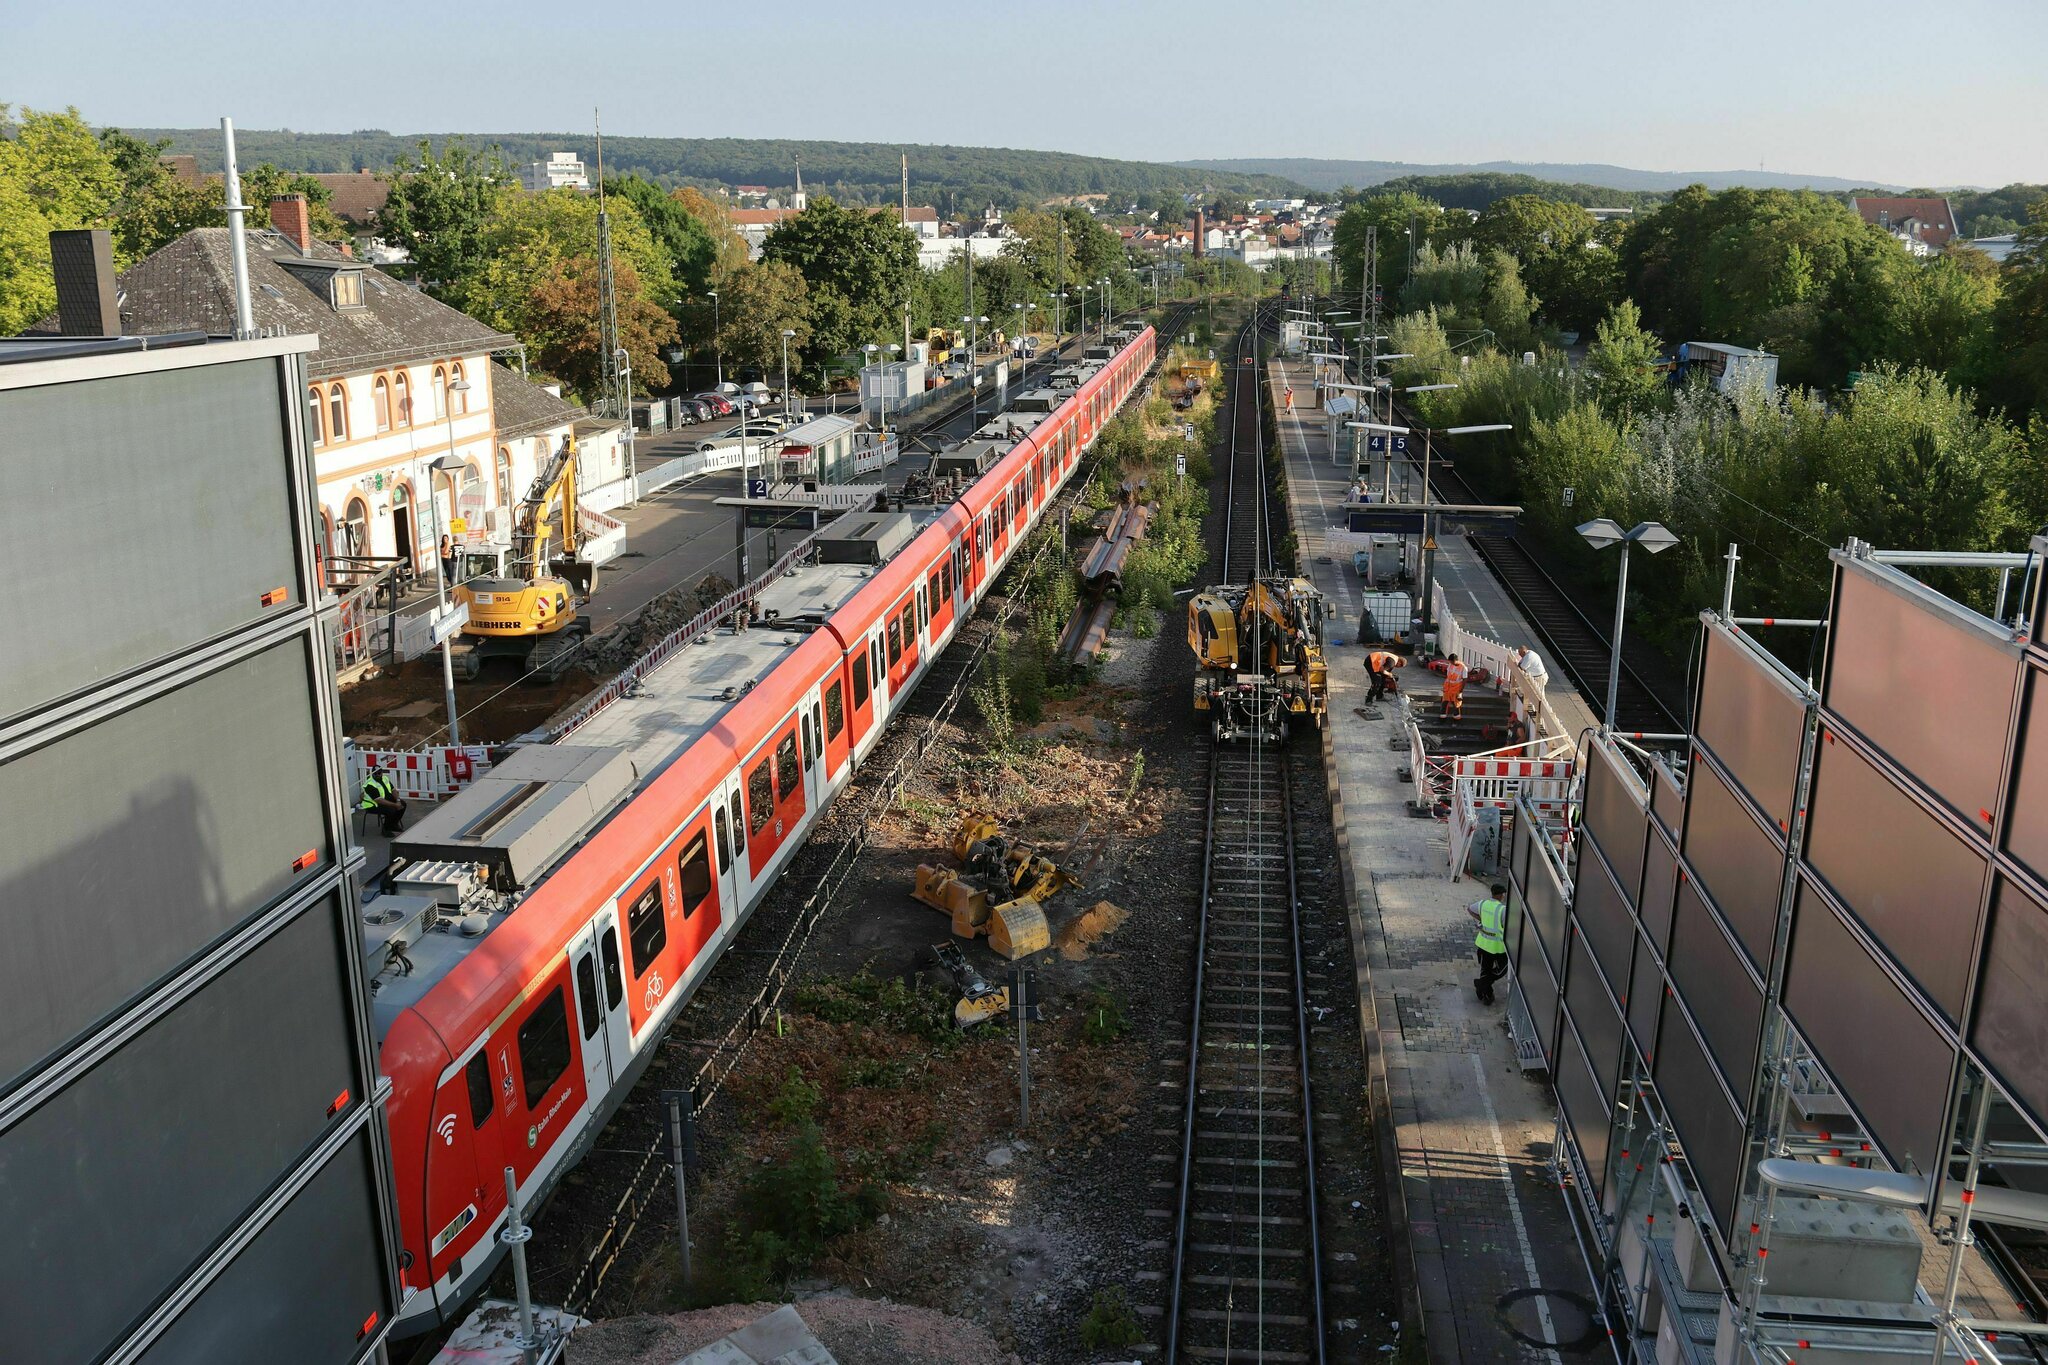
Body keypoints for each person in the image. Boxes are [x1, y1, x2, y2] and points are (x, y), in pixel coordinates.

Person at [1468, 884, 1510, 1003]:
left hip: (1483, 944)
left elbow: (1470, 909)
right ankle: (1482, 986)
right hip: (1497, 947)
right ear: (1502, 895)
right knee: (1503, 968)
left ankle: (1485, 994)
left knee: (1485, 970)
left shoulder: (1483, 904)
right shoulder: (1502, 910)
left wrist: (1480, 918)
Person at [360, 768, 406, 837]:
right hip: (373, 805)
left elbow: (393, 790)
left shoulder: (385, 778)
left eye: (379, 773)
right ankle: (386, 830)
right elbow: (378, 800)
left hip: (385, 800)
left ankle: (393, 824)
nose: (377, 775)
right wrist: (395, 805)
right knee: (391, 810)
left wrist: (398, 801)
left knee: (403, 804)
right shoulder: (369, 784)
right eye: (375, 773)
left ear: (382, 773)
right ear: (372, 773)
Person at [1441, 653, 1469, 719]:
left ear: (1456, 660)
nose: (1451, 663)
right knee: (1444, 702)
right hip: (1448, 687)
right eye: (1450, 661)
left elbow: (1465, 679)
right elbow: (1448, 676)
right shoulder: (1450, 665)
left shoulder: (1463, 668)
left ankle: (1456, 719)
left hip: (1456, 688)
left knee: (1455, 704)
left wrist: (1461, 691)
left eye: (1452, 661)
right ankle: (1442, 717)